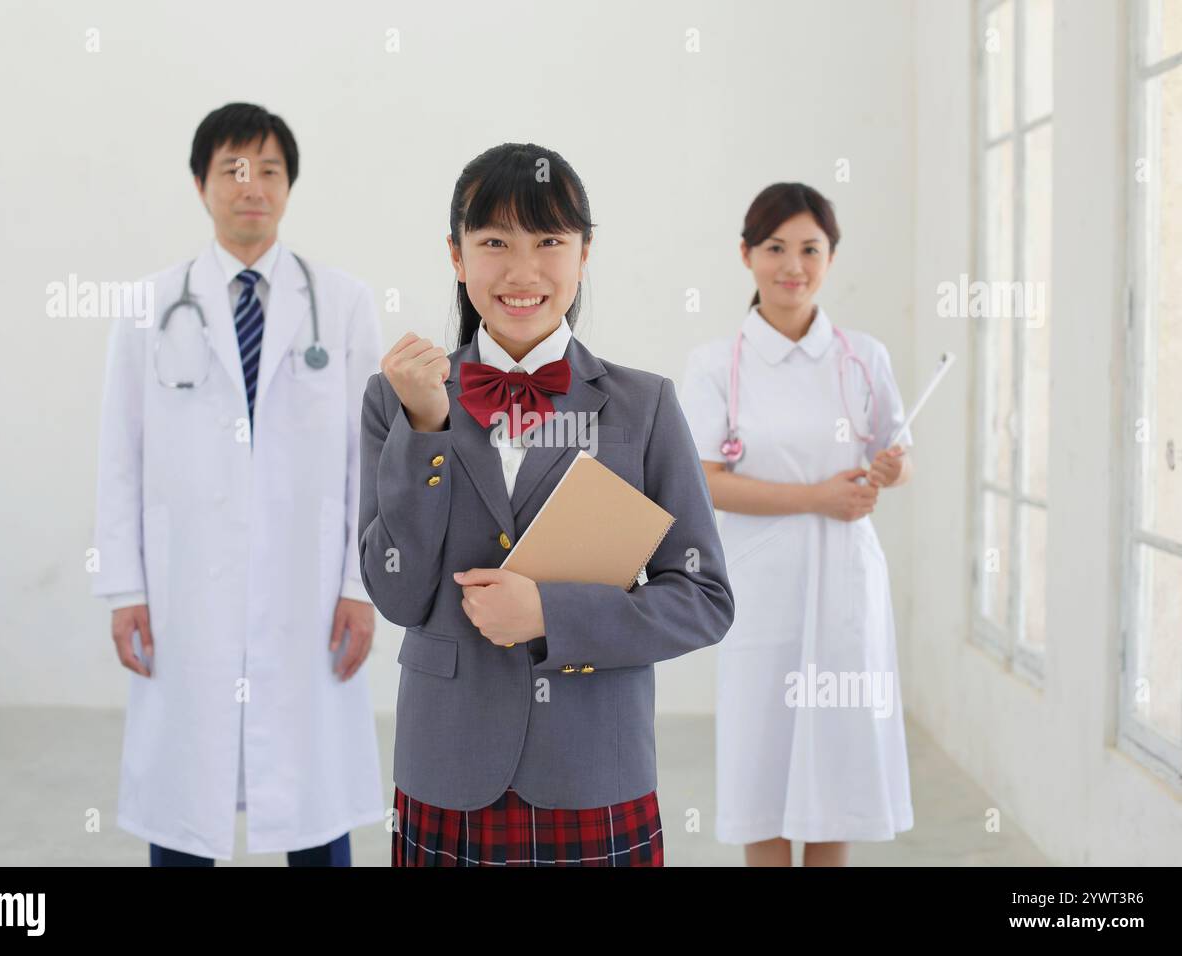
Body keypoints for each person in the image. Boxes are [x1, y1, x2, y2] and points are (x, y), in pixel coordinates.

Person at [357, 142, 735, 866]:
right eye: (494, 240)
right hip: (448, 763)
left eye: (549, 241)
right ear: (457, 255)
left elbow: (705, 598)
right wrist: (427, 429)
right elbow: (396, 593)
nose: (522, 270)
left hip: (593, 766)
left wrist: (549, 616)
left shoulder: (644, 405)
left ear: (584, 254)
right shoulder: (396, 396)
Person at [92, 102, 384, 865]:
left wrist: (361, 584)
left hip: (310, 588)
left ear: (289, 187)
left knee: (312, 798)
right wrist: (125, 588)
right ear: (201, 184)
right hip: (186, 591)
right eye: (232, 168)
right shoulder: (149, 308)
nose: (251, 185)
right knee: (185, 797)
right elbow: (120, 455)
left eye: (270, 170)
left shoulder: (344, 305)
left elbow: (369, 460)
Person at [680, 182, 915, 867]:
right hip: (761, 587)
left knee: (834, 767)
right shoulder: (715, 364)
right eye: (775, 247)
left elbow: (896, 461)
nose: (793, 265)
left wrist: (893, 469)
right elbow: (707, 484)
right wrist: (816, 496)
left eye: (811, 249)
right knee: (766, 760)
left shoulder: (863, 356)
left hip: (846, 585)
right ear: (746, 254)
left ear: (831, 258)